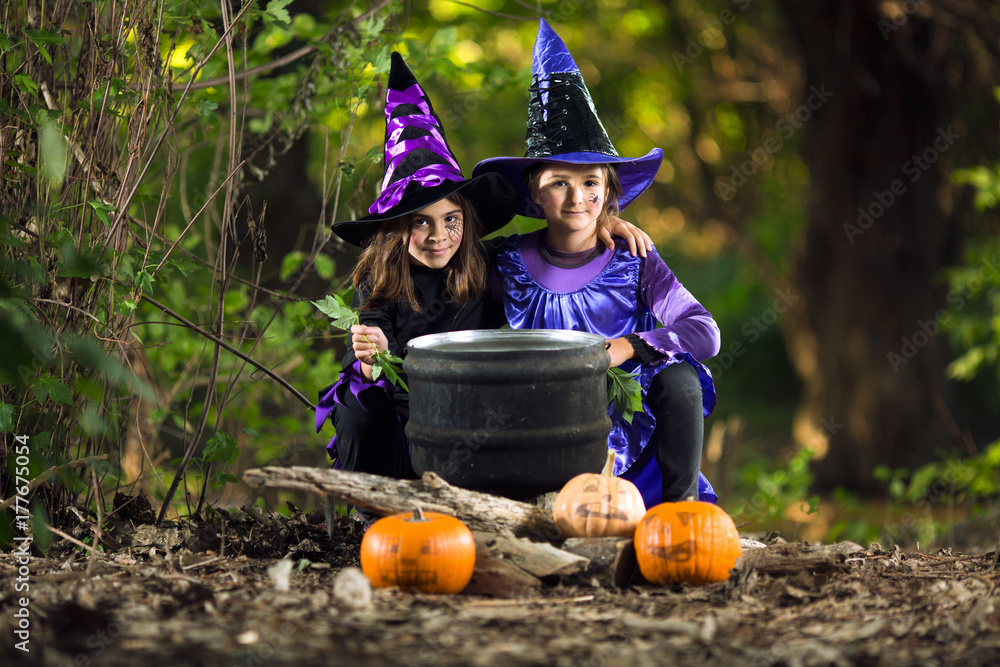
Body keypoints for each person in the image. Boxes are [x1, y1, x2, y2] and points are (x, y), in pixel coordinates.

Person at [315, 52, 653, 488]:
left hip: (469, 414)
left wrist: (602, 221)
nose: (439, 236)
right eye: (421, 222)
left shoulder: (488, 260)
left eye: (451, 220)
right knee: (359, 407)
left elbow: (552, 245)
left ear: (467, 220)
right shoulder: (378, 279)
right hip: (402, 418)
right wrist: (371, 356)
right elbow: (366, 364)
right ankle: (375, 507)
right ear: (397, 229)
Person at [473, 19, 721, 507]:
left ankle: (680, 511)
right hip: (543, 436)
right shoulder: (506, 262)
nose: (576, 198)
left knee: (681, 380)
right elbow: (446, 273)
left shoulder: (634, 258)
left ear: (608, 192)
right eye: (559, 183)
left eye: (590, 183)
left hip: (633, 444)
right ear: (534, 193)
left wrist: (631, 345)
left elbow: (704, 331)